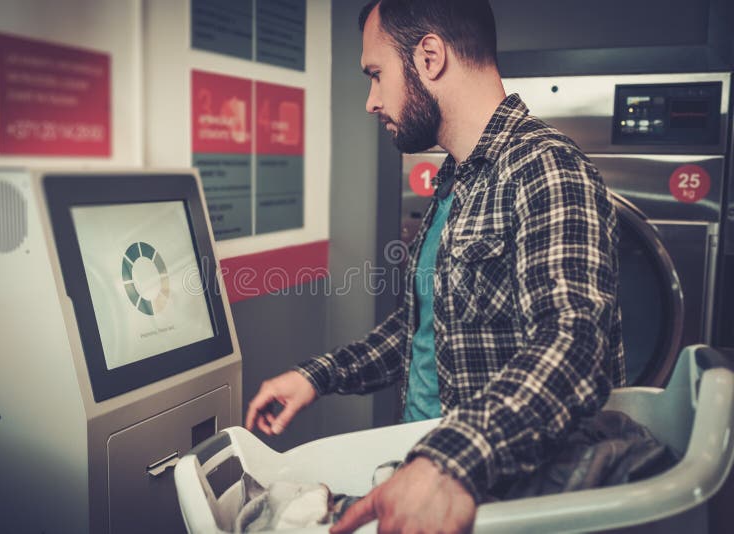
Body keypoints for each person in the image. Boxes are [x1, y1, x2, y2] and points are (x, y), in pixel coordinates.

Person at [246, 0, 625, 532]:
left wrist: (446, 461)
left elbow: (574, 346)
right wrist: (317, 376)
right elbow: (423, 329)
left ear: (429, 57)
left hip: (482, 492)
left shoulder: (547, 168)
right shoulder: (457, 178)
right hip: (422, 467)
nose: (371, 101)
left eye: (376, 74)